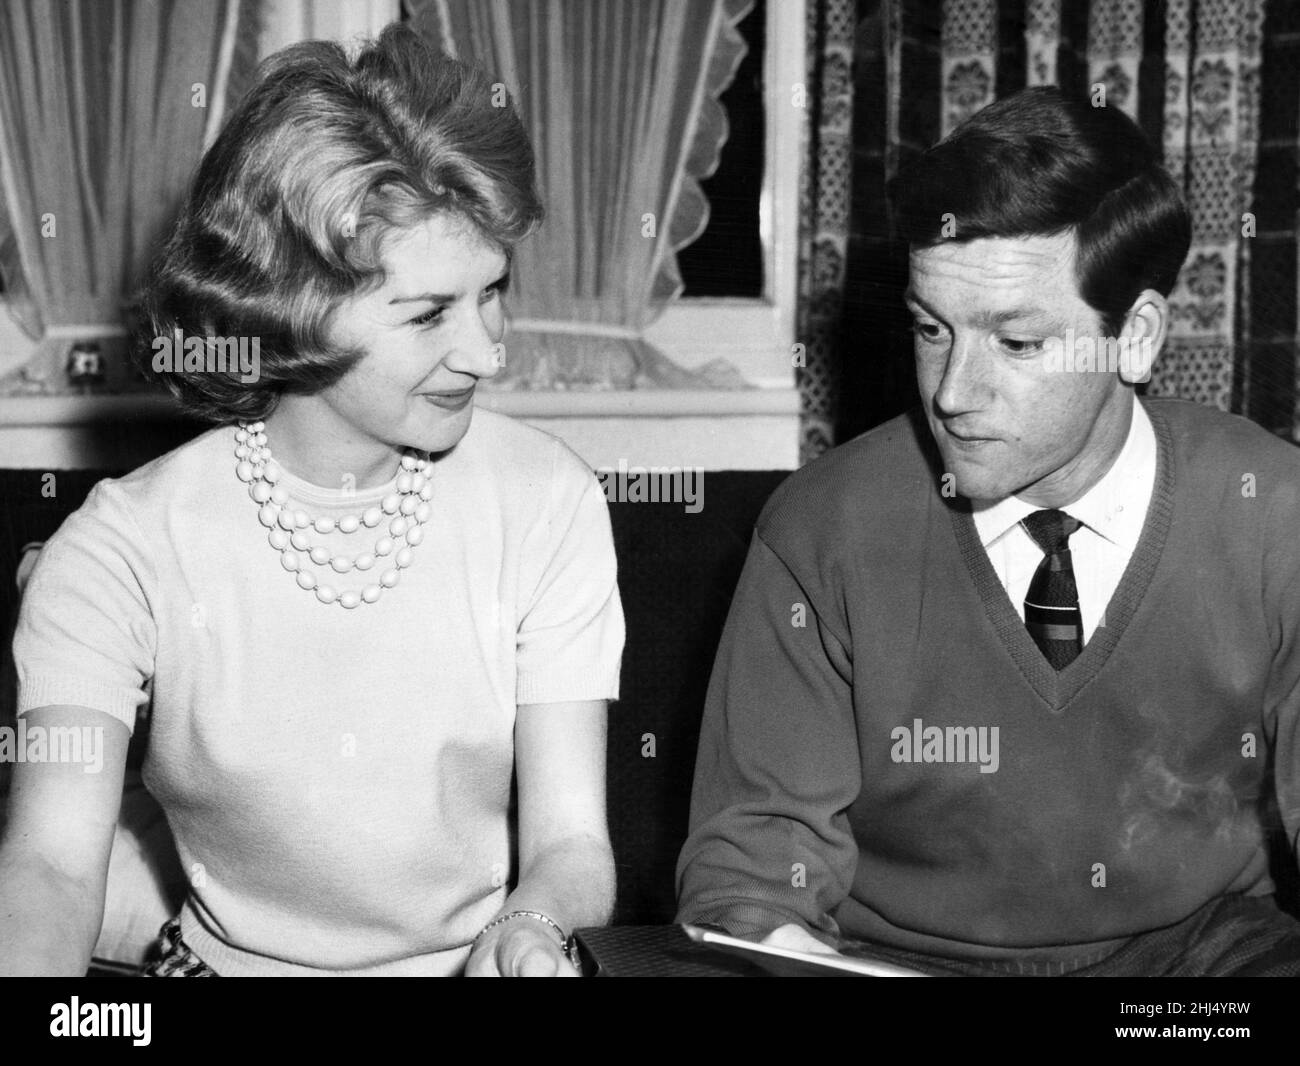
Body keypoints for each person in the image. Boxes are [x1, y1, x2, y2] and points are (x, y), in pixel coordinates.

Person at [0, 24, 624, 977]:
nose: (488, 352)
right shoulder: (120, 548)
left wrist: (526, 932)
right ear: (289, 303)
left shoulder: (550, 504)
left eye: (494, 291)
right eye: (428, 315)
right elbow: (49, 867)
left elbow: (571, 846)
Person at [676, 86, 1300, 976]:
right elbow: (754, 870)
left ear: (1136, 337)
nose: (953, 393)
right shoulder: (823, 531)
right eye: (933, 330)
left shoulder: (1274, 512)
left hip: (1193, 975)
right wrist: (782, 941)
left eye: (1017, 344)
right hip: (902, 964)